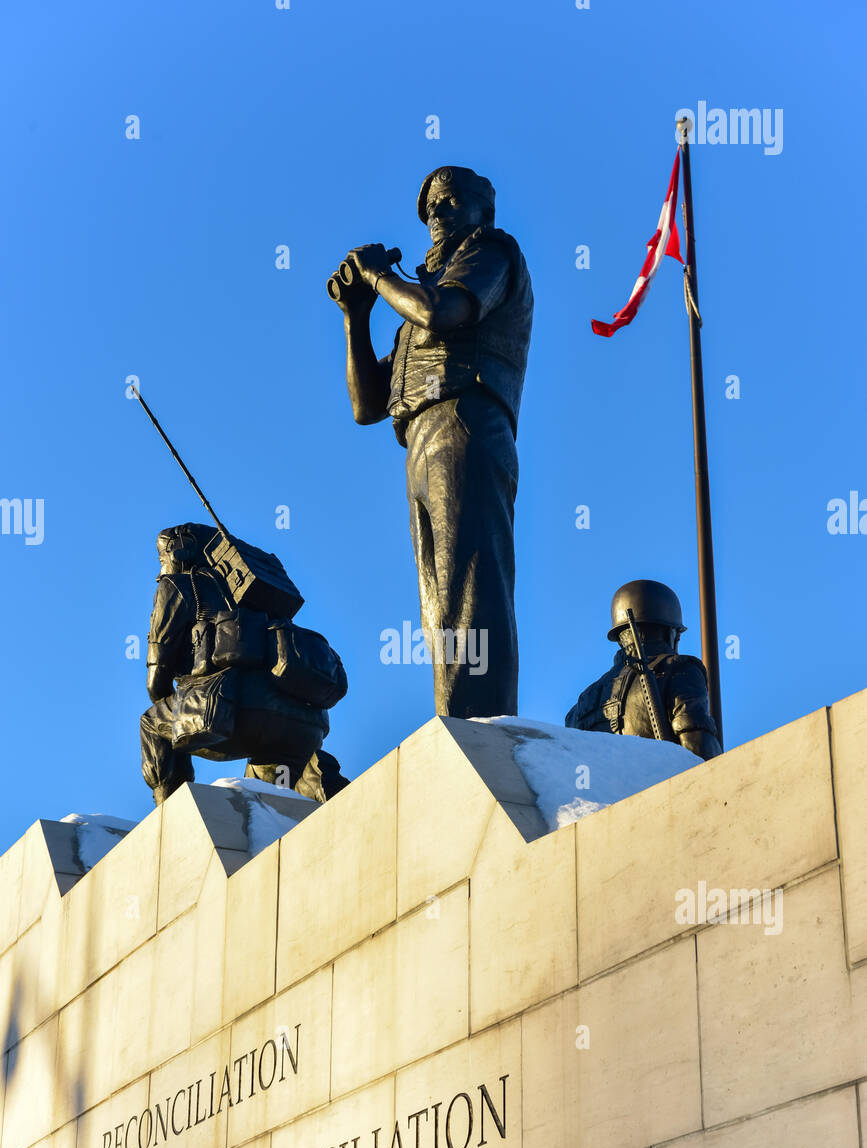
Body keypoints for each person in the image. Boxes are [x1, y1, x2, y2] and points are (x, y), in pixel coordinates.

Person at [330, 165, 533, 717]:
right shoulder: (420, 292)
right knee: (438, 600)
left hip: (465, 424)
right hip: (420, 437)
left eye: (448, 203)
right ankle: (455, 716)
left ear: (482, 212)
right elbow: (366, 406)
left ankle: (480, 722)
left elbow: (440, 313)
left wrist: (379, 278)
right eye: (429, 209)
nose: (435, 215)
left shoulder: (492, 250)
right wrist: (356, 314)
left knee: (471, 584)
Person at [140, 523, 349, 803]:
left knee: (152, 724)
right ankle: (320, 781)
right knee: (273, 791)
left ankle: (171, 817)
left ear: (177, 552)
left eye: (162, 557)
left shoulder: (176, 586)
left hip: (233, 710)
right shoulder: (250, 589)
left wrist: (187, 699)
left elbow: (157, 684)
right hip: (304, 721)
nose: (161, 566)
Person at [565, 580, 722, 760]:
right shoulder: (680, 669)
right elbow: (700, 753)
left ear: (619, 636)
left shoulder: (581, 705)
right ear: (670, 633)